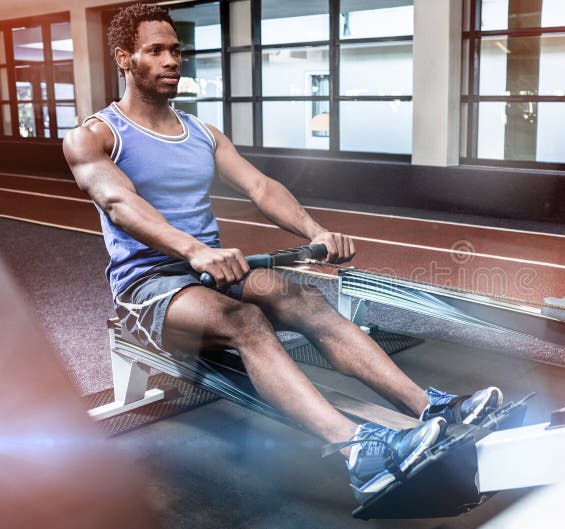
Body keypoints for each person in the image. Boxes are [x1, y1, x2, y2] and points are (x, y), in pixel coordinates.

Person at [63, 3, 502, 503]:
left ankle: (434, 407)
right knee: (246, 321)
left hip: (217, 270)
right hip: (151, 286)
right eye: (155, 51)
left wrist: (319, 231)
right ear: (125, 58)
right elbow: (120, 203)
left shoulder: (201, 132)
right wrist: (193, 251)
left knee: (306, 300)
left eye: (176, 50)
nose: (171, 61)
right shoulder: (94, 136)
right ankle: (358, 451)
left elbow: (260, 187)